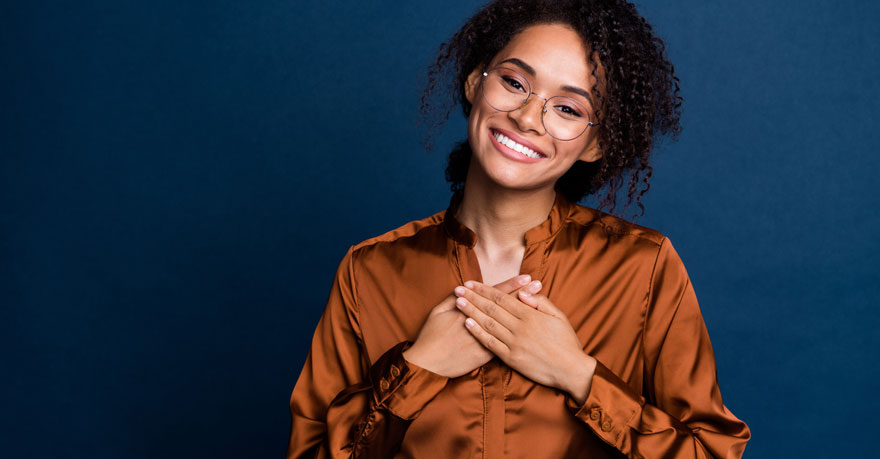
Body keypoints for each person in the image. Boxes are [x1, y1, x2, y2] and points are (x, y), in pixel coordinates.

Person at [287, 0, 750, 457]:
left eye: (567, 109)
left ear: (596, 144)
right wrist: (417, 369)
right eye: (514, 82)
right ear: (474, 80)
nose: (528, 118)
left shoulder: (643, 269)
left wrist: (579, 376)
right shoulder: (368, 271)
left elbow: (712, 452)